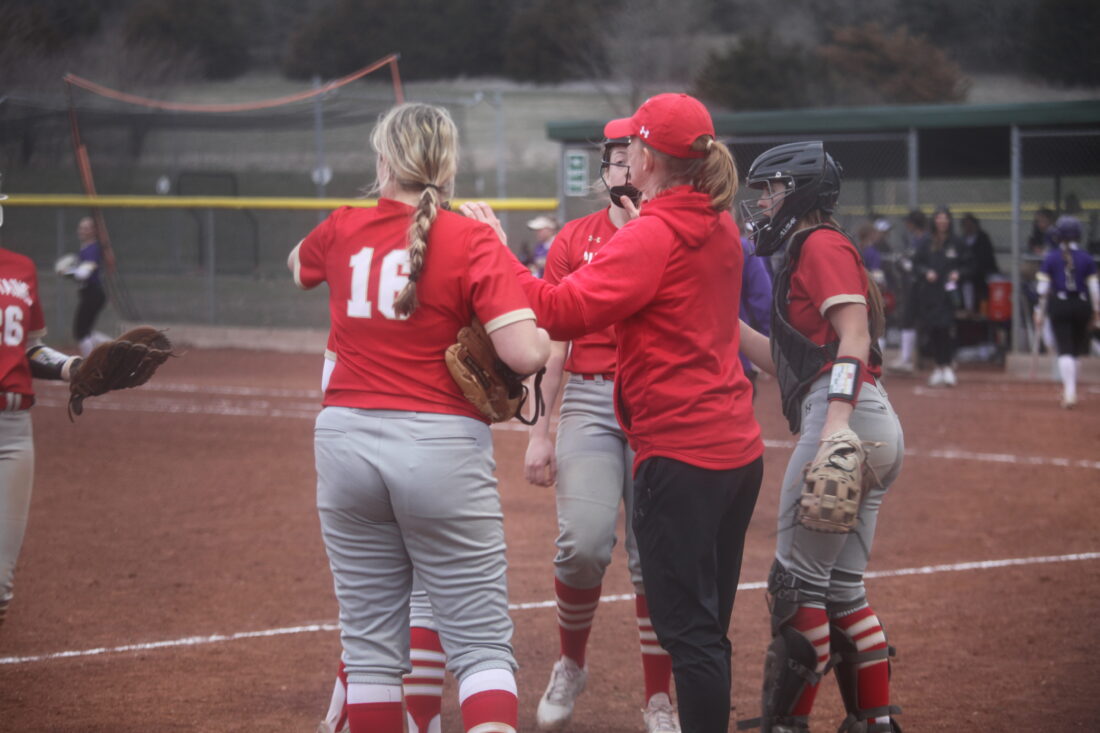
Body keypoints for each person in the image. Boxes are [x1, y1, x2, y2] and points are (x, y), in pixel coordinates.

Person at [468, 92, 764, 733]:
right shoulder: (717, 220)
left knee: (687, 633)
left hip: (678, 451)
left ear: (649, 159)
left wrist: (495, 252)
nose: (623, 151)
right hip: (736, 449)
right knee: (705, 630)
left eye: (632, 143)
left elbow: (557, 311)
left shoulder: (653, 234)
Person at [288, 102, 550, 733]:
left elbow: (297, 265)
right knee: (482, 645)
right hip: (436, 442)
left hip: (345, 437)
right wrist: (538, 338)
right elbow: (523, 353)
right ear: (447, 166)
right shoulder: (470, 237)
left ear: (384, 160)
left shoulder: (344, 226)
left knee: (371, 654)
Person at [736, 141, 905, 733]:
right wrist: (717, 320)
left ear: (800, 192)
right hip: (867, 419)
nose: (762, 201)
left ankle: (786, 723)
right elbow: (784, 359)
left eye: (771, 188)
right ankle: (875, 721)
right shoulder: (809, 249)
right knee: (838, 588)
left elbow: (853, 336)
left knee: (796, 584)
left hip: (847, 416)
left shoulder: (818, 243)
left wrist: (835, 423)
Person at [517, 138, 679, 733]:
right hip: (588, 395)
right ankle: (570, 663)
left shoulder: (667, 233)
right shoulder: (572, 240)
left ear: (650, 167)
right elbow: (555, 342)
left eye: (632, 156)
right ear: (606, 171)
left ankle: (659, 700)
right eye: (612, 159)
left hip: (655, 397)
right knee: (583, 544)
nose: (623, 167)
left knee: (653, 558)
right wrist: (541, 430)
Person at [0, 176, 84, 629]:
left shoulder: (20, 268)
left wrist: (72, 367)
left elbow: (30, 349)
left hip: (13, 432)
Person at [1034, 215, 1100, 408]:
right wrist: (1097, 311)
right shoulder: (1086, 258)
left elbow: (1042, 289)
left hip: (1060, 305)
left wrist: (1038, 311)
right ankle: (1071, 389)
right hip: (1081, 304)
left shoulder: (1051, 257)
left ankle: (1069, 391)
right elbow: (1095, 289)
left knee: (1064, 349)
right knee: (1076, 351)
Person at [913, 207, 964, 387]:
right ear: (934, 221)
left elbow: (969, 263)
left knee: (947, 329)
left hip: (949, 294)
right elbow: (916, 264)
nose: (942, 222)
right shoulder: (927, 241)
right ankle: (938, 366)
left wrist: (958, 273)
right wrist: (926, 272)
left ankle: (948, 366)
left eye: (945, 219)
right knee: (933, 329)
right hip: (930, 294)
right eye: (939, 219)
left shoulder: (956, 242)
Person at [887, 210, 928, 374]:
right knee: (908, 318)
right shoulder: (915, 239)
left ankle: (915, 359)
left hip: (923, 286)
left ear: (913, 223)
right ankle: (906, 359)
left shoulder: (925, 239)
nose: (906, 225)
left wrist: (910, 265)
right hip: (912, 285)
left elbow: (923, 261)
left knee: (928, 322)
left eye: (908, 222)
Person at [66, 216, 110, 357]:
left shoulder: (92, 248)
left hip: (93, 293)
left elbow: (84, 274)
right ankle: (116, 347)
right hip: (90, 294)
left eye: (86, 228)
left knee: (80, 332)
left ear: (94, 231)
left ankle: (90, 364)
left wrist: (67, 271)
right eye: (81, 228)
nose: (82, 231)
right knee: (85, 331)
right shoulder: (86, 249)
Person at [958, 213, 1000, 315]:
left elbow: (986, 258)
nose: (968, 228)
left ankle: (980, 311)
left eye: (970, 224)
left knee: (974, 280)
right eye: (965, 225)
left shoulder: (983, 238)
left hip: (983, 271)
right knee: (963, 280)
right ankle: (966, 309)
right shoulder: (962, 240)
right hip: (968, 272)